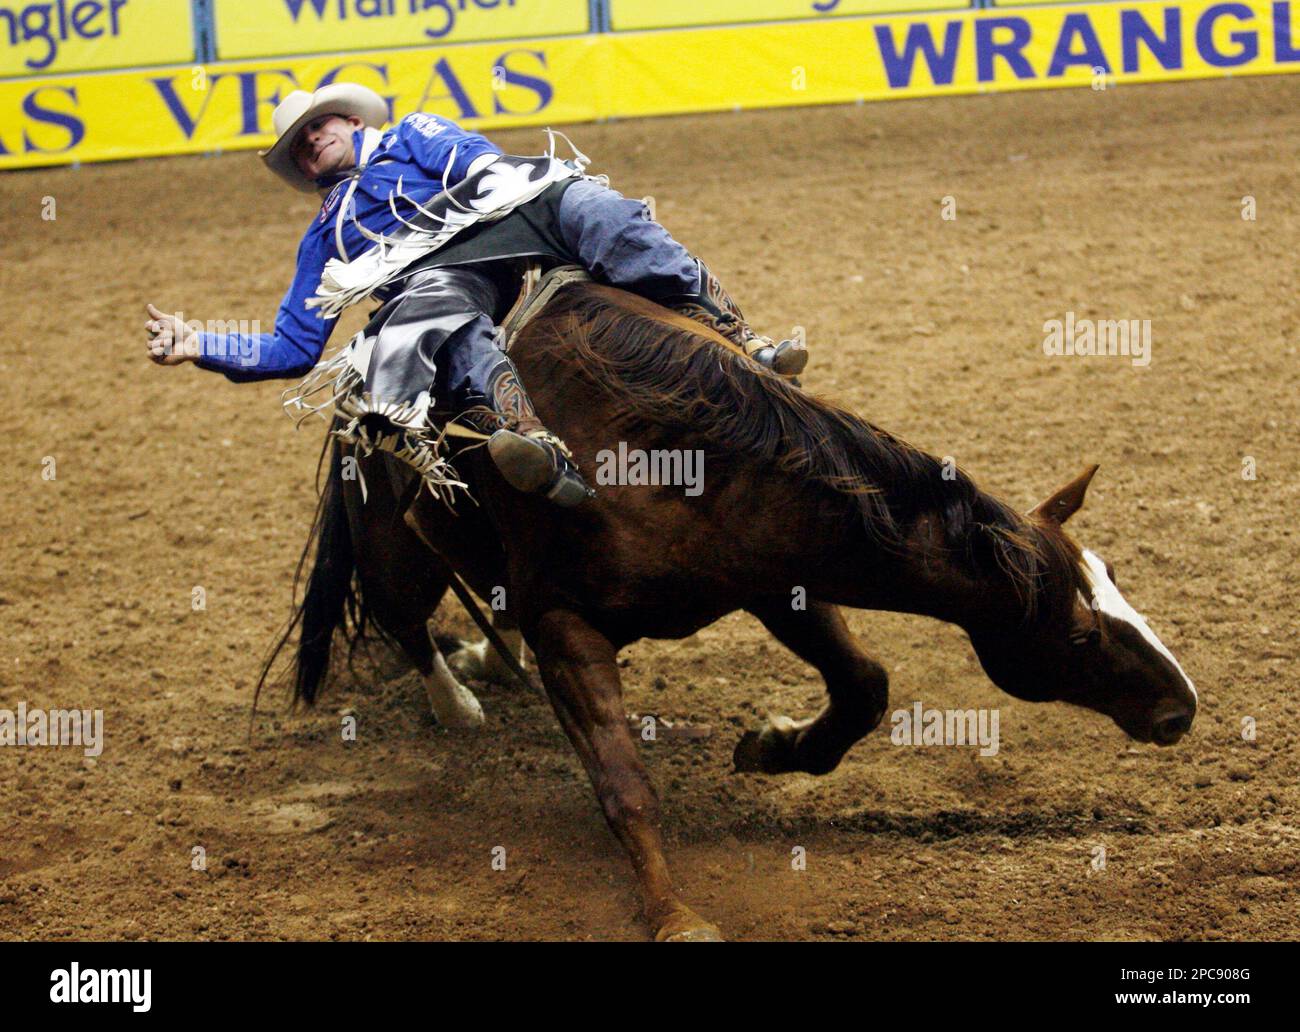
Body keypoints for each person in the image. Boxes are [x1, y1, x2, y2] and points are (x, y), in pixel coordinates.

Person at [144, 82, 807, 505]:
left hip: (498, 212)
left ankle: (734, 334)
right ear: (301, 167)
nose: (312, 144)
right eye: (300, 147)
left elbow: (479, 166)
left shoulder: (413, 133)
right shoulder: (324, 236)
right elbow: (292, 346)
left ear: (347, 120)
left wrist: (514, 199)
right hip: (437, 279)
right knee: (436, 313)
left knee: (597, 209)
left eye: (317, 129)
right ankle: (529, 434)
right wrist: (199, 341)